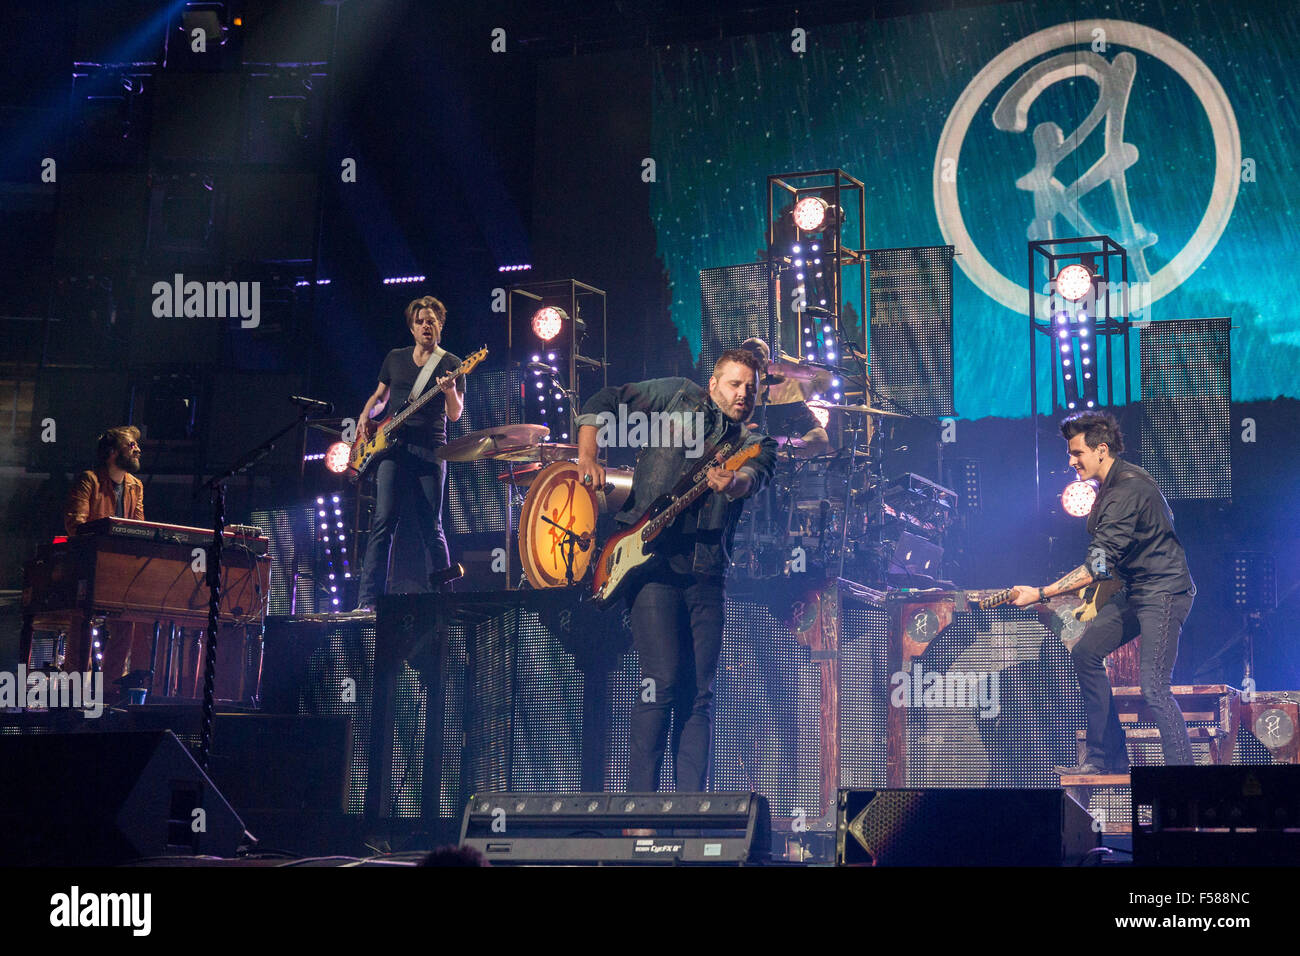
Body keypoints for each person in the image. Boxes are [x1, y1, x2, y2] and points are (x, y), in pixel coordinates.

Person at [575, 349, 777, 792]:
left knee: (699, 696)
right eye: (735, 384)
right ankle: (640, 811)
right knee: (662, 680)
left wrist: (736, 482)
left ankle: (691, 811)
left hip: (706, 575)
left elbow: (755, 477)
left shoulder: (755, 444)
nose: (743, 394)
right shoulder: (675, 398)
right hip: (651, 567)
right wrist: (587, 454)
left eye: (751, 389)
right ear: (713, 383)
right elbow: (603, 399)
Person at [1010, 412, 1196, 774]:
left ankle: (1183, 776)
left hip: (1166, 593)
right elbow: (1110, 559)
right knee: (1086, 652)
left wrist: (1040, 593)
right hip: (1135, 590)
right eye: (1070, 453)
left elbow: (1097, 565)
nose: (1071, 461)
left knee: (1154, 687)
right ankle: (1105, 759)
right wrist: (1097, 598)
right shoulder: (1108, 488)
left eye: (1077, 452)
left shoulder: (1128, 489)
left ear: (1101, 449)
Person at [354, 295, 465, 612]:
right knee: (382, 522)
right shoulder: (395, 358)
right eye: (421, 321)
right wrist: (365, 415)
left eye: (432, 320)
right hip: (392, 449)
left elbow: (456, 414)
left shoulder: (451, 363)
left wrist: (448, 392)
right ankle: (366, 603)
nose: (426, 325)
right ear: (412, 328)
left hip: (431, 450)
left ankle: (445, 601)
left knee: (433, 527)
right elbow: (379, 397)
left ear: (440, 326)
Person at [739, 337, 829, 458]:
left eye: (757, 355)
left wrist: (791, 450)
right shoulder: (728, 401)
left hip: (780, 469)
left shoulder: (786, 399)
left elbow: (819, 435)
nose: (752, 360)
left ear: (769, 363)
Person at [64, 426, 144, 534]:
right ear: (113, 452)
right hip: (94, 549)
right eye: (132, 445)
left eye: (137, 445)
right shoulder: (90, 480)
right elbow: (76, 526)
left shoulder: (136, 485)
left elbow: (140, 530)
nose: (138, 450)